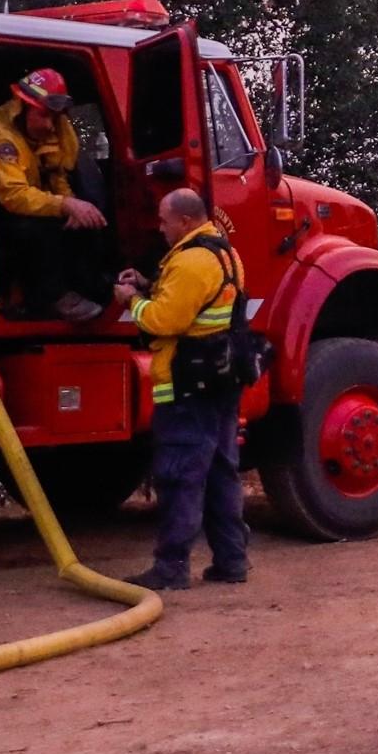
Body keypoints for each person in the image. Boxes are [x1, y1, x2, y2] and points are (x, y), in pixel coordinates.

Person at [123, 186, 249, 592]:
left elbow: (164, 321)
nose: (159, 228)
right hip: (220, 382)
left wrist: (131, 301)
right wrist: (147, 282)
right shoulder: (223, 253)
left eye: (164, 220)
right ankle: (232, 560)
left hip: (188, 388)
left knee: (180, 476)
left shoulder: (192, 262)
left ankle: (171, 568)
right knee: (220, 472)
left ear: (186, 221)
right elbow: (193, 304)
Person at [0, 68, 110, 324]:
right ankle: (50, 297)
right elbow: (13, 195)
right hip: (2, 214)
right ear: (22, 107)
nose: (49, 125)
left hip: (40, 203)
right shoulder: (1, 134)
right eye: (43, 116)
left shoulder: (55, 127)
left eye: (55, 118)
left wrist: (75, 207)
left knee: (88, 222)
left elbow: (57, 174)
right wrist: (65, 205)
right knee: (38, 231)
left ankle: (96, 289)